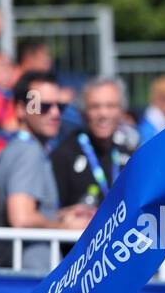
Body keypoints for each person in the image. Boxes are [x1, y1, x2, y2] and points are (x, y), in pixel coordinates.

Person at [0, 70, 94, 271]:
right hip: (27, 278)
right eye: (43, 106)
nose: (54, 113)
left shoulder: (17, 148)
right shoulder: (28, 152)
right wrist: (67, 228)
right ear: (20, 109)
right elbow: (21, 217)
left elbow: (25, 212)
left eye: (59, 106)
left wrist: (60, 214)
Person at [49, 76, 134, 212]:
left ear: (121, 112)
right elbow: (49, 215)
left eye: (110, 106)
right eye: (95, 107)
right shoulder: (63, 155)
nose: (103, 114)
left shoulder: (131, 154)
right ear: (82, 112)